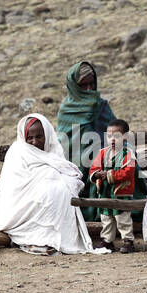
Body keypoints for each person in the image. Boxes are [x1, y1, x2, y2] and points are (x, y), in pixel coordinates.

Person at [0, 114, 106, 255]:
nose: (34, 141)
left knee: (60, 189)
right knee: (49, 191)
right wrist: (48, 175)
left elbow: (65, 171)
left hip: (48, 193)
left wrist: (53, 177)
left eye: (39, 137)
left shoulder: (54, 150)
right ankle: (37, 236)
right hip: (21, 202)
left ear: (47, 136)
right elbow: (16, 182)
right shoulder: (17, 151)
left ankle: (54, 237)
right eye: (29, 138)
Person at [55, 61, 117, 222]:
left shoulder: (101, 106)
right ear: (74, 86)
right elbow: (65, 144)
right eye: (84, 85)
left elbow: (116, 134)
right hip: (76, 166)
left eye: (92, 84)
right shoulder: (66, 111)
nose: (89, 89)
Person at [88, 118, 137, 253]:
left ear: (125, 137)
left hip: (121, 192)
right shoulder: (103, 153)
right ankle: (107, 241)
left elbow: (128, 172)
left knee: (122, 218)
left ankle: (128, 241)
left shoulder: (129, 155)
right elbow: (94, 168)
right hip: (105, 192)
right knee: (106, 217)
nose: (112, 140)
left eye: (117, 136)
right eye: (109, 136)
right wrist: (97, 174)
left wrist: (108, 175)